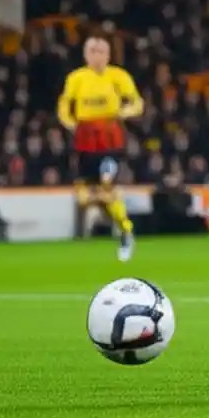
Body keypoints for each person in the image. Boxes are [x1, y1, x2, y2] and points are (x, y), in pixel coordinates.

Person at [57, 36, 143, 261]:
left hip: (109, 134)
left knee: (107, 183)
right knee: (85, 194)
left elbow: (136, 102)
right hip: (86, 135)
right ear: (86, 55)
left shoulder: (118, 76)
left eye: (101, 51)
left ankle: (126, 231)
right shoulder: (76, 78)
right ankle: (107, 222)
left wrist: (124, 113)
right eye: (93, 51)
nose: (97, 55)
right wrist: (70, 123)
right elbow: (65, 104)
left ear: (108, 54)